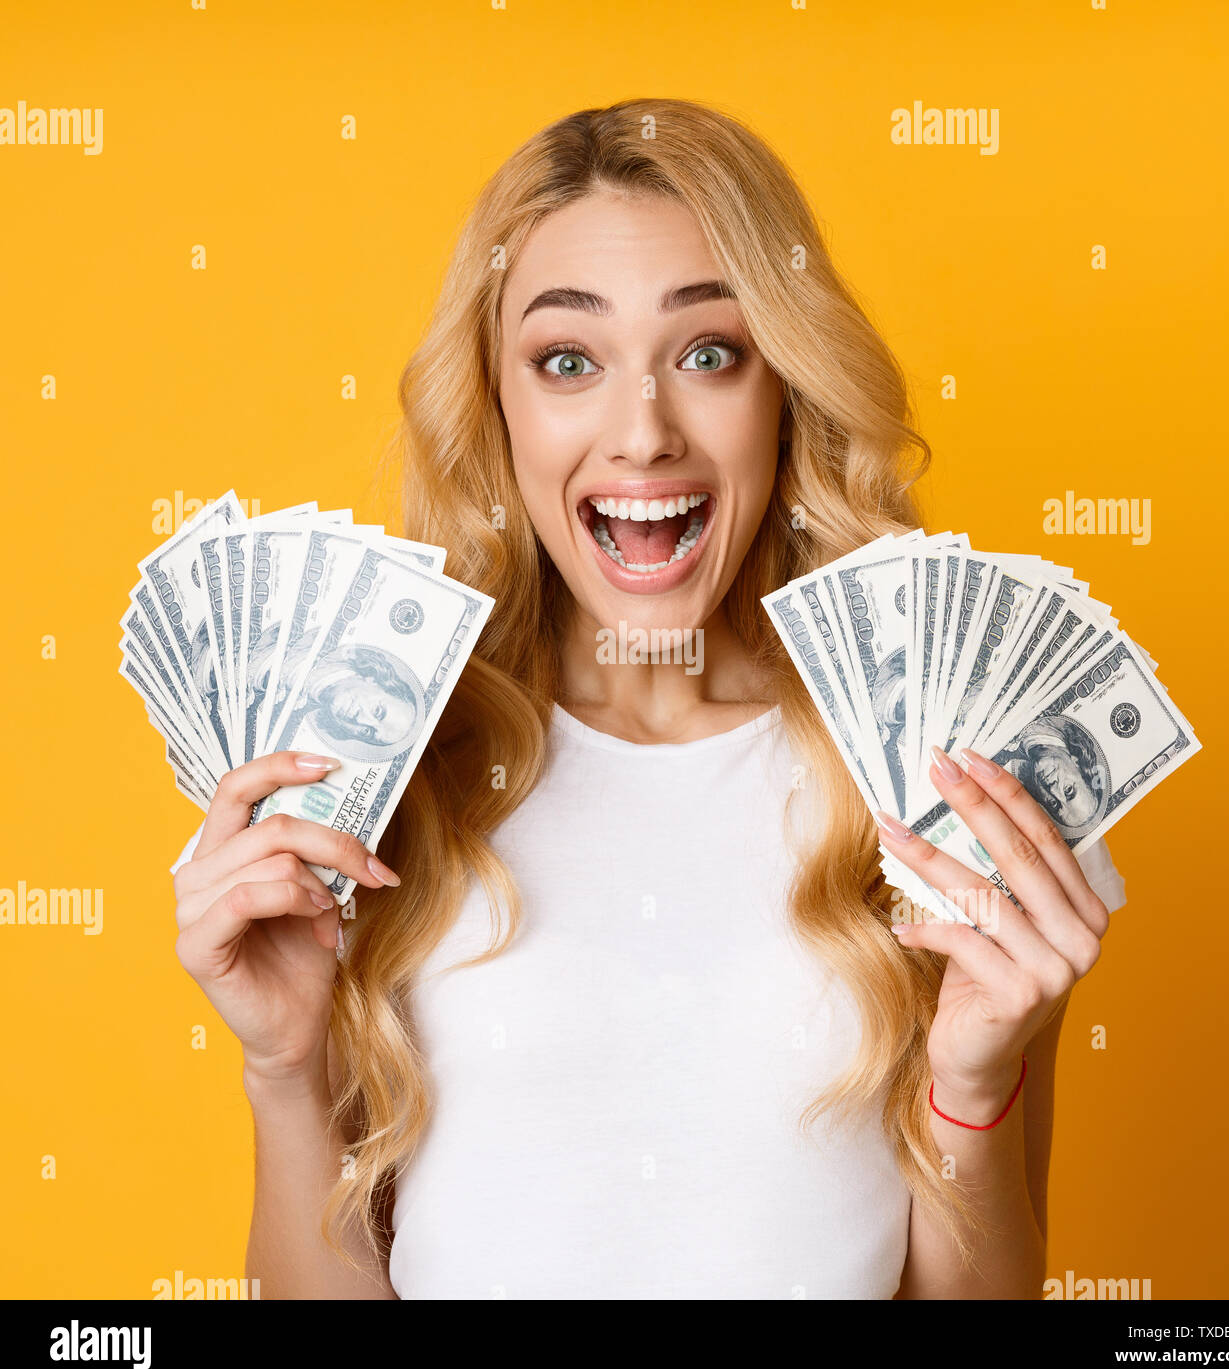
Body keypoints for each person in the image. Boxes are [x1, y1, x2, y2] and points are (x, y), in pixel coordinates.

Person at [168, 99, 1127, 1300]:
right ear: (497, 403)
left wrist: (977, 1093)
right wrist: (283, 1067)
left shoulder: (952, 779)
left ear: (786, 390)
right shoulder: (377, 779)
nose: (642, 434)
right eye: (568, 361)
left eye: (709, 352)